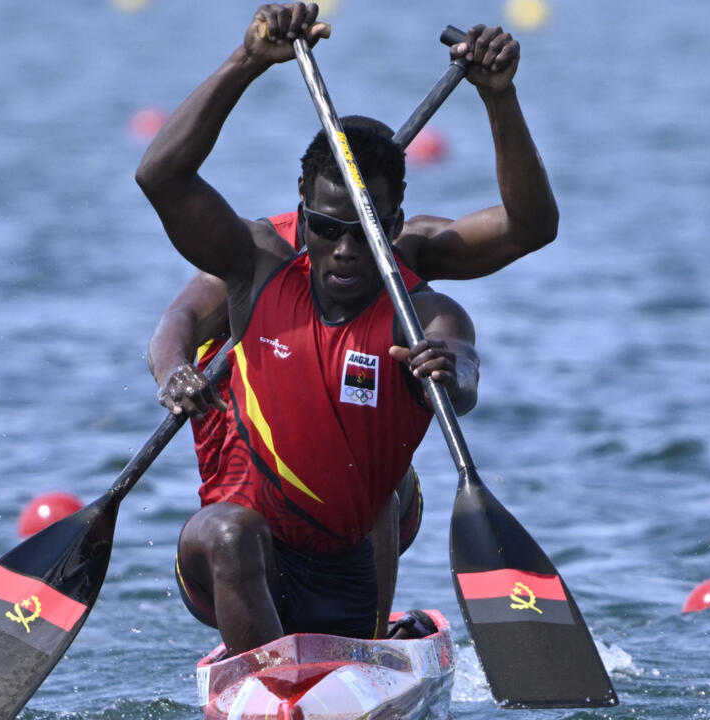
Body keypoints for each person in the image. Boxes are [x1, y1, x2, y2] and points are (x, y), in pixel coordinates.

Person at [136, 3, 487, 655]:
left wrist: (455, 371)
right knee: (231, 534)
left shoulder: (404, 288)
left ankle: (373, 646)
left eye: (363, 231)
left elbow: (469, 352)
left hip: (350, 540)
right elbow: (164, 209)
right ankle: (270, 680)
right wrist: (246, 62)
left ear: (391, 220)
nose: (345, 250)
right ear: (304, 201)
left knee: (386, 480)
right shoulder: (256, 260)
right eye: (327, 229)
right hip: (247, 538)